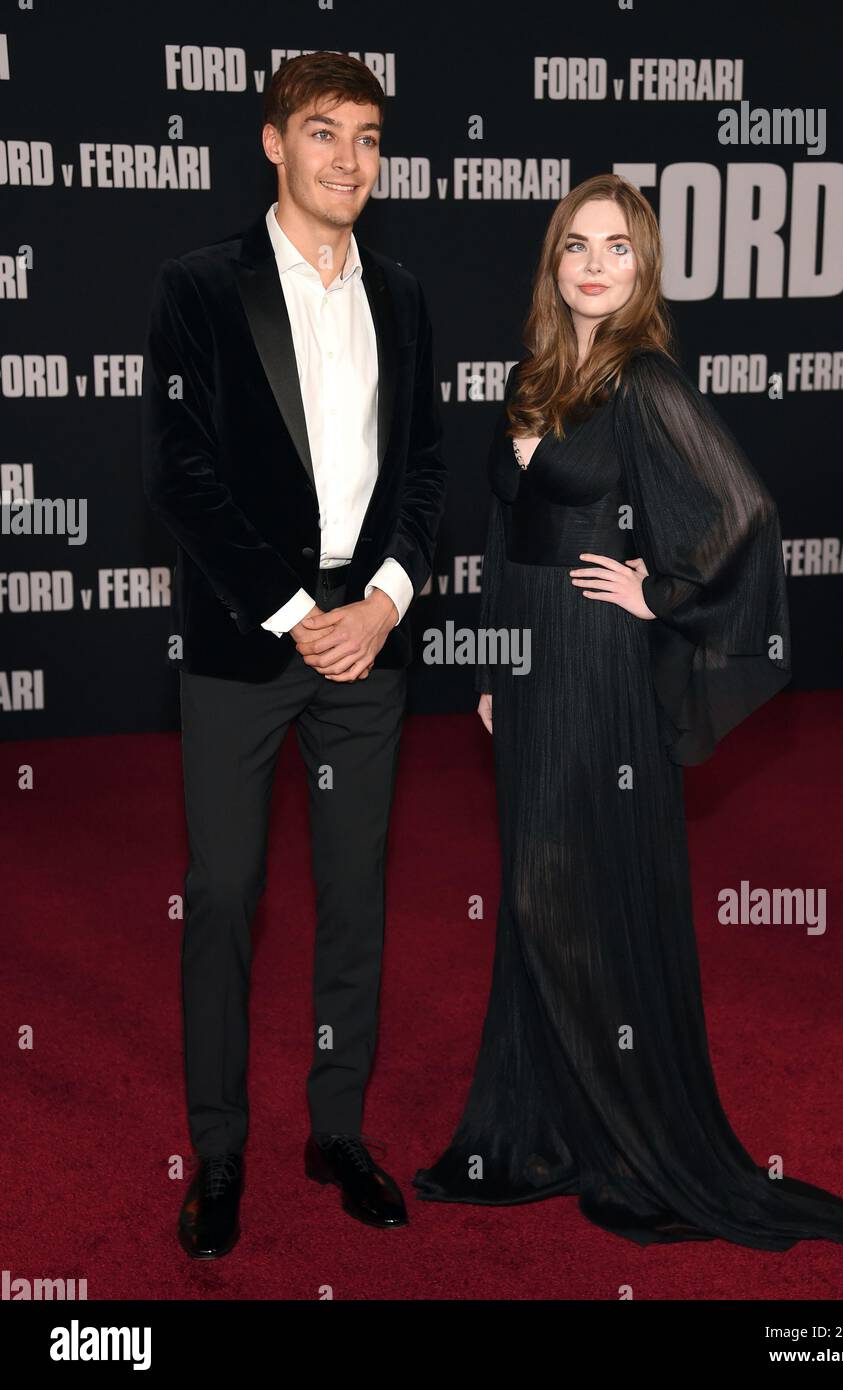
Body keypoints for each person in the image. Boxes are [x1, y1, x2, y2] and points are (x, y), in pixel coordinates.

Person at [412, 173, 843, 1250]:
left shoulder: (643, 380)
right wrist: (489, 661)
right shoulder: (535, 376)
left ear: (642, 267)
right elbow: (499, 524)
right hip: (526, 659)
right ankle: (537, 1132)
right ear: (553, 261)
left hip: (598, 658)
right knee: (537, 888)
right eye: (575, 244)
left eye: (615, 248)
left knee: (554, 889)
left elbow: (743, 507)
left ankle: (634, 1146)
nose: (591, 263)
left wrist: (659, 593)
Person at [141, 52, 445, 1258]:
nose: (350, 160)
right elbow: (180, 472)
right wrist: (288, 609)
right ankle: (218, 1147)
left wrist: (379, 604)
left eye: (369, 138)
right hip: (243, 637)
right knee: (222, 895)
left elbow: (424, 471)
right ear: (274, 142)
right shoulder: (200, 285)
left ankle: (336, 1127)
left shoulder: (408, 295)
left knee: (354, 898)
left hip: (368, 643)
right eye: (325, 133)